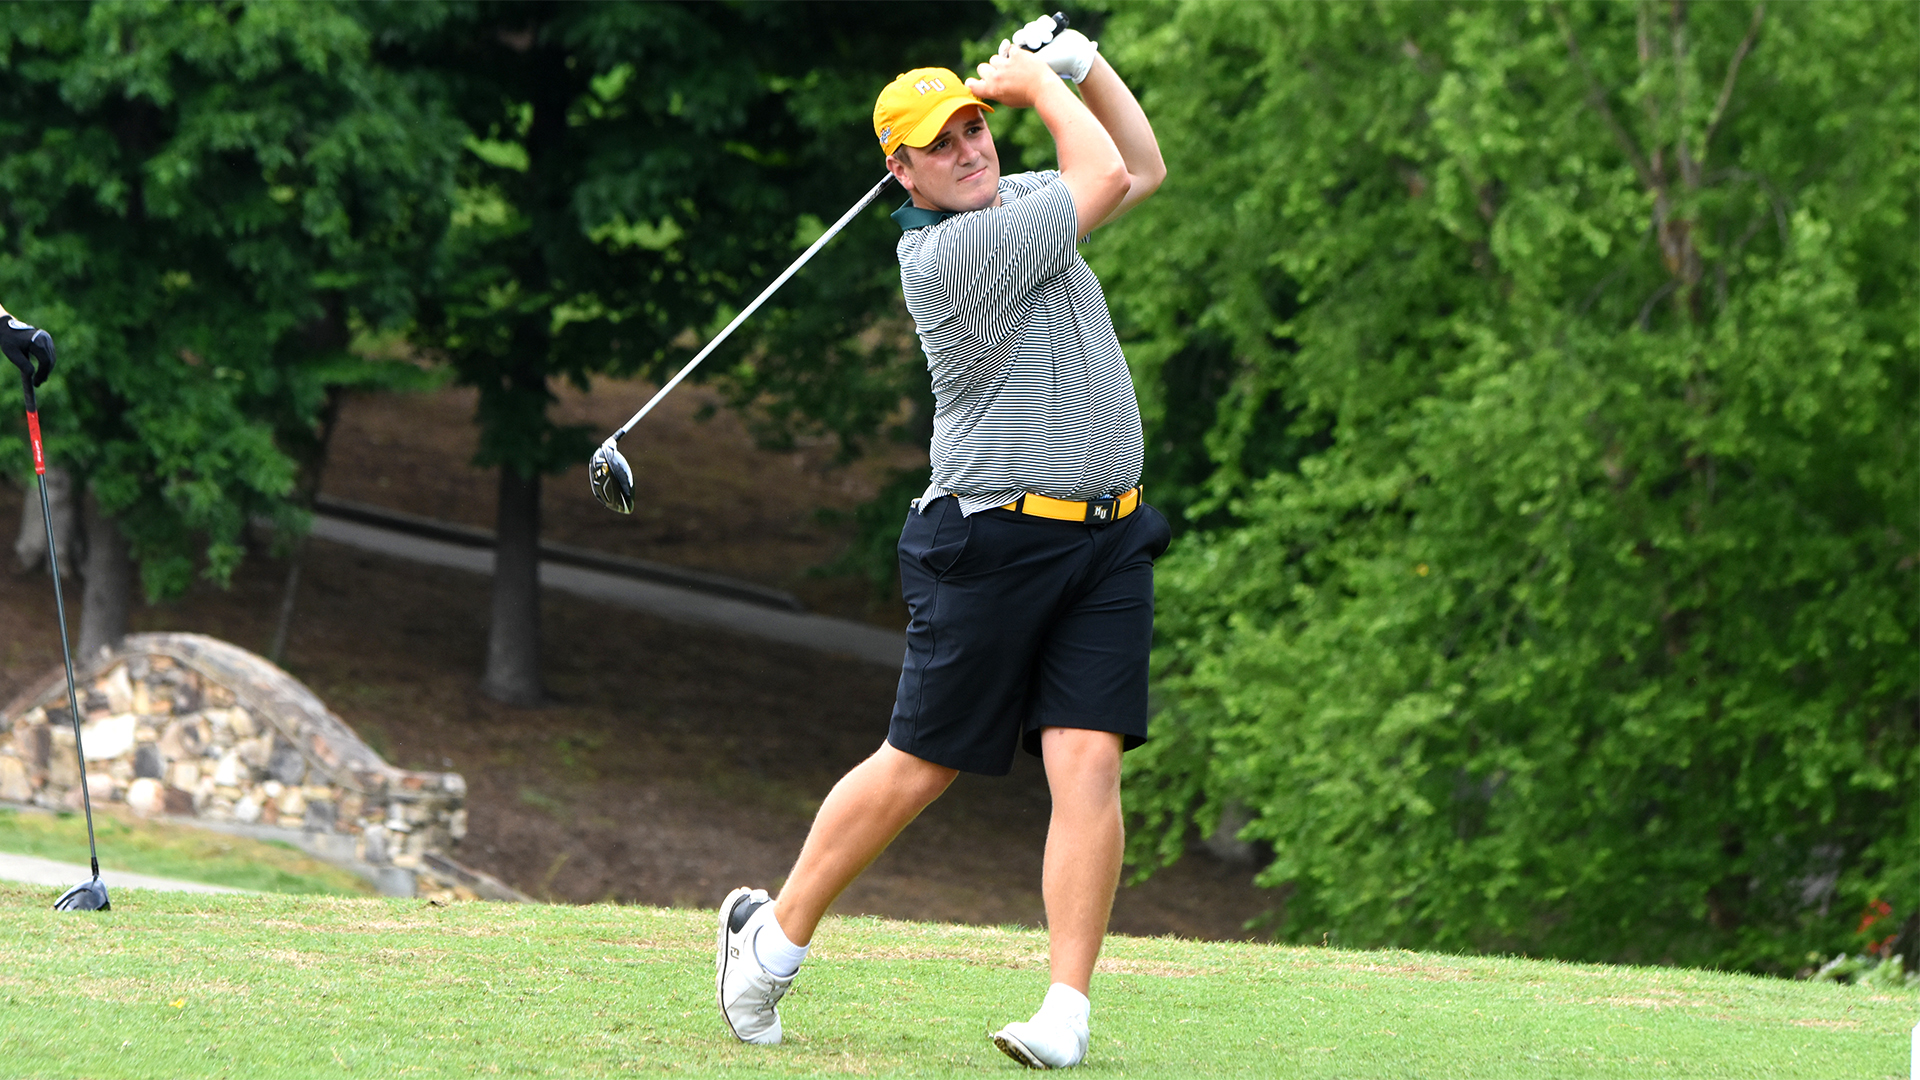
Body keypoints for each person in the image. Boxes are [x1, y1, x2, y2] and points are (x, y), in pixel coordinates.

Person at [715, 17, 1166, 1070]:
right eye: (946, 140)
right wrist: (1036, 84)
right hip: (989, 543)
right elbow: (1100, 166)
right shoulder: (953, 251)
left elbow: (1138, 163)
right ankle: (769, 942)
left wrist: (1083, 63)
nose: (972, 148)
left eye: (976, 127)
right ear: (902, 172)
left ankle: (1065, 1012)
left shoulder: (1018, 205)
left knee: (1089, 765)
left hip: (1105, 539)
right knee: (919, 767)